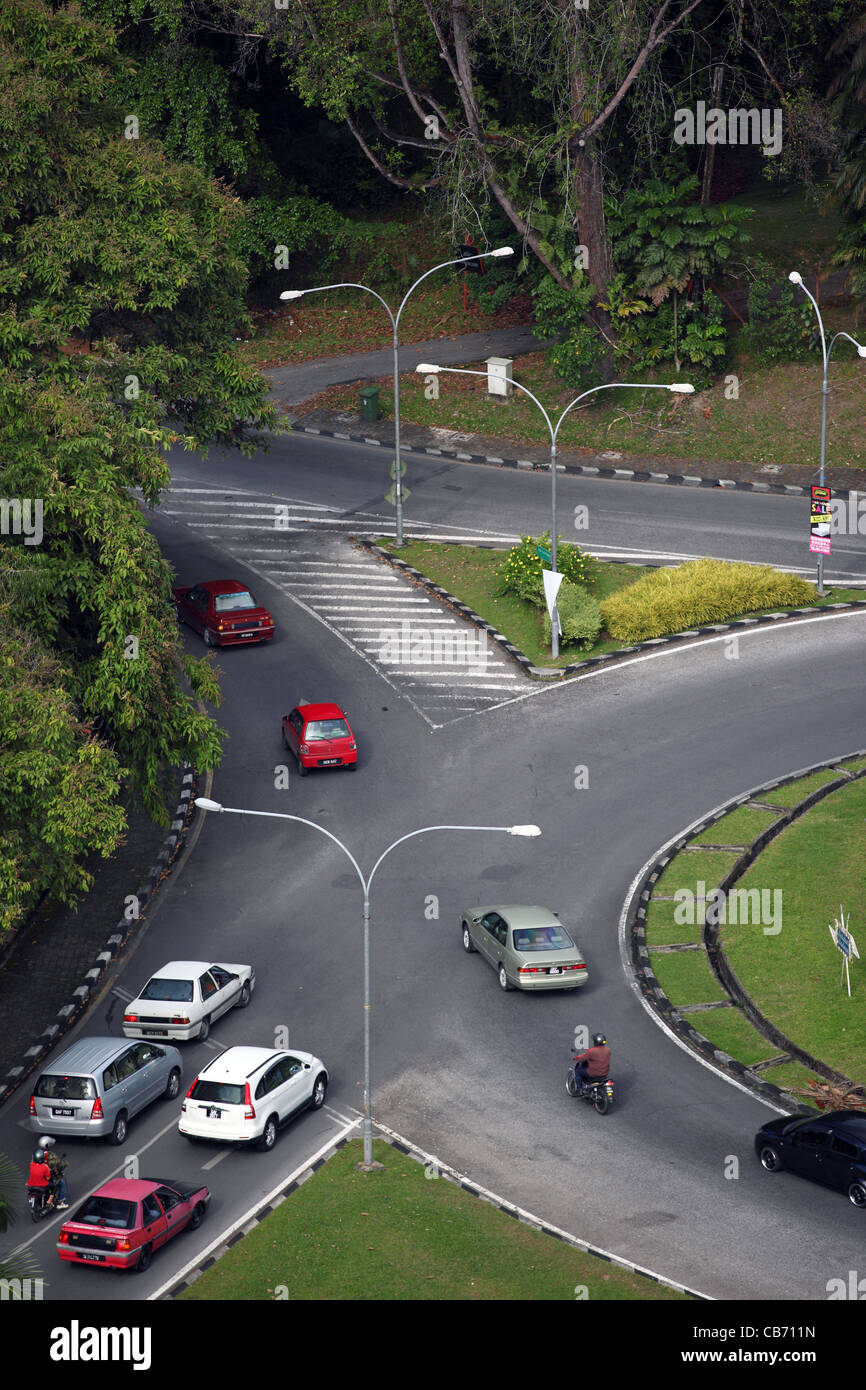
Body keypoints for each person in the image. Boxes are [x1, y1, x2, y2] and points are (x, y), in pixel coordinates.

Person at [37, 1135, 68, 1209]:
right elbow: (59, 1165)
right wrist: (65, 1164)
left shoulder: (37, 1154)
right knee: (62, 1184)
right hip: (48, 1178)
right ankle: (60, 1202)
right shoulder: (51, 1156)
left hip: (38, 1177)